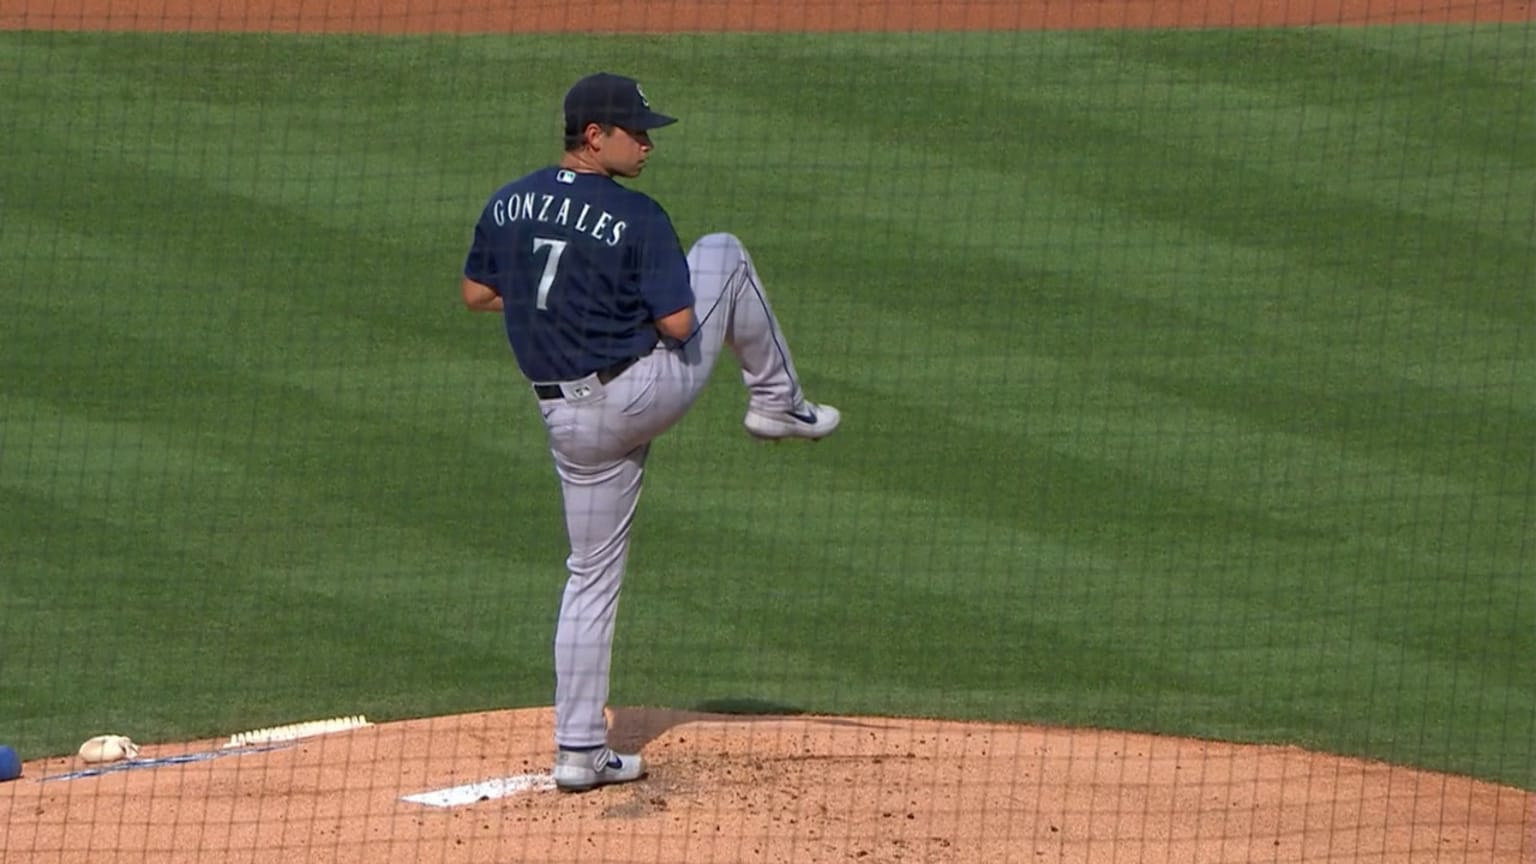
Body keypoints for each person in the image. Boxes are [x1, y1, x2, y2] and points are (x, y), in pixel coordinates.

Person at [459, 72, 841, 792]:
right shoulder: (635, 215)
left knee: (589, 576)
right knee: (724, 254)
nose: (647, 144)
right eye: (635, 132)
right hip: (637, 397)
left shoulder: (508, 201)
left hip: (566, 422)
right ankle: (777, 402)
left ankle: (579, 751)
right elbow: (679, 323)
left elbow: (477, 293)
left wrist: (567, 299)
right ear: (593, 136)